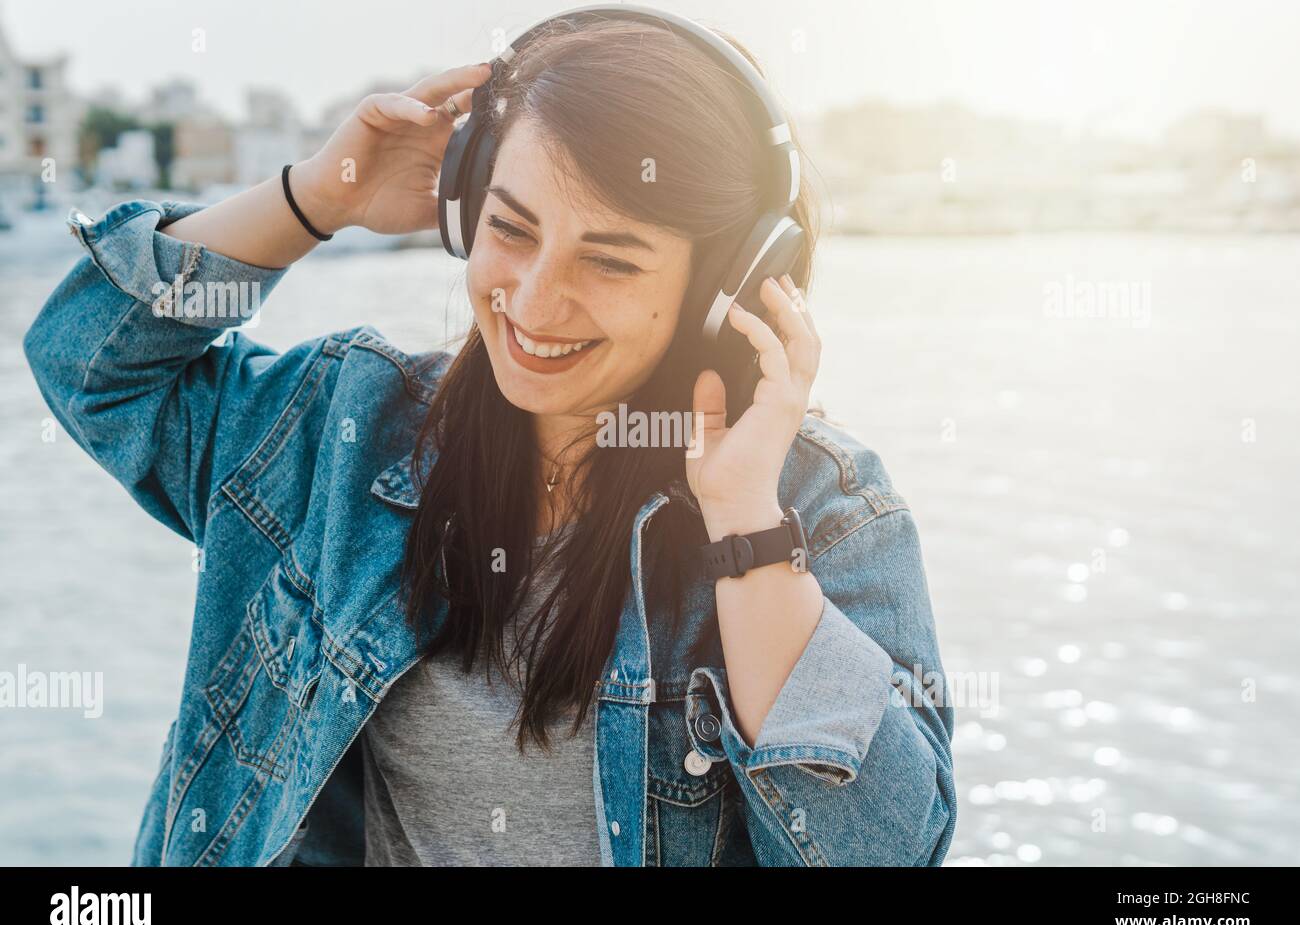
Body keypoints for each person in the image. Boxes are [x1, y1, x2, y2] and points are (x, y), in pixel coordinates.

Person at [24, 12, 955, 866]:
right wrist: (318, 197)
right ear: (466, 203)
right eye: (510, 227)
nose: (535, 302)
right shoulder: (344, 428)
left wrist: (747, 532)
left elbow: (883, 854)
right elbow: (87, 364)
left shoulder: (824, 514)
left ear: (728, 289)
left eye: (610, 258)